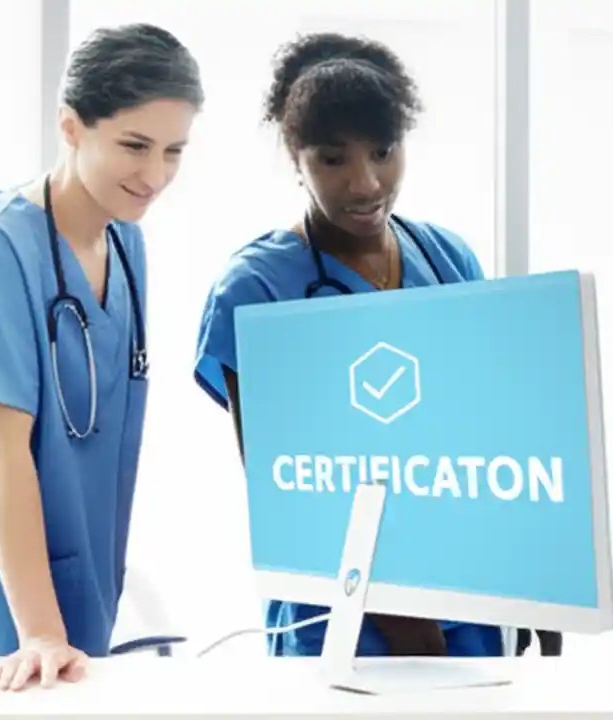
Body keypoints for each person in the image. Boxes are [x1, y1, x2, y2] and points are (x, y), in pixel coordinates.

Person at [191, 32, 503, 658]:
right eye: (334, 159)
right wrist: (409, 627)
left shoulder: (447, 260)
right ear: (294, 153)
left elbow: (492, 447)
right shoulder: (259, 289)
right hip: (340, 618)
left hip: (468, 600)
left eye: (383, 152)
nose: (366, 184)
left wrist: (531, 593)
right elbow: (288, 491)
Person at [0, 24, 203, 689]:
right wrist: (39, 629)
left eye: (174, 151)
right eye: (134, 145)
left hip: (87, 587)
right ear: (71, 126)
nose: (155, 175)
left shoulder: (127, 244)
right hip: (3, 621)